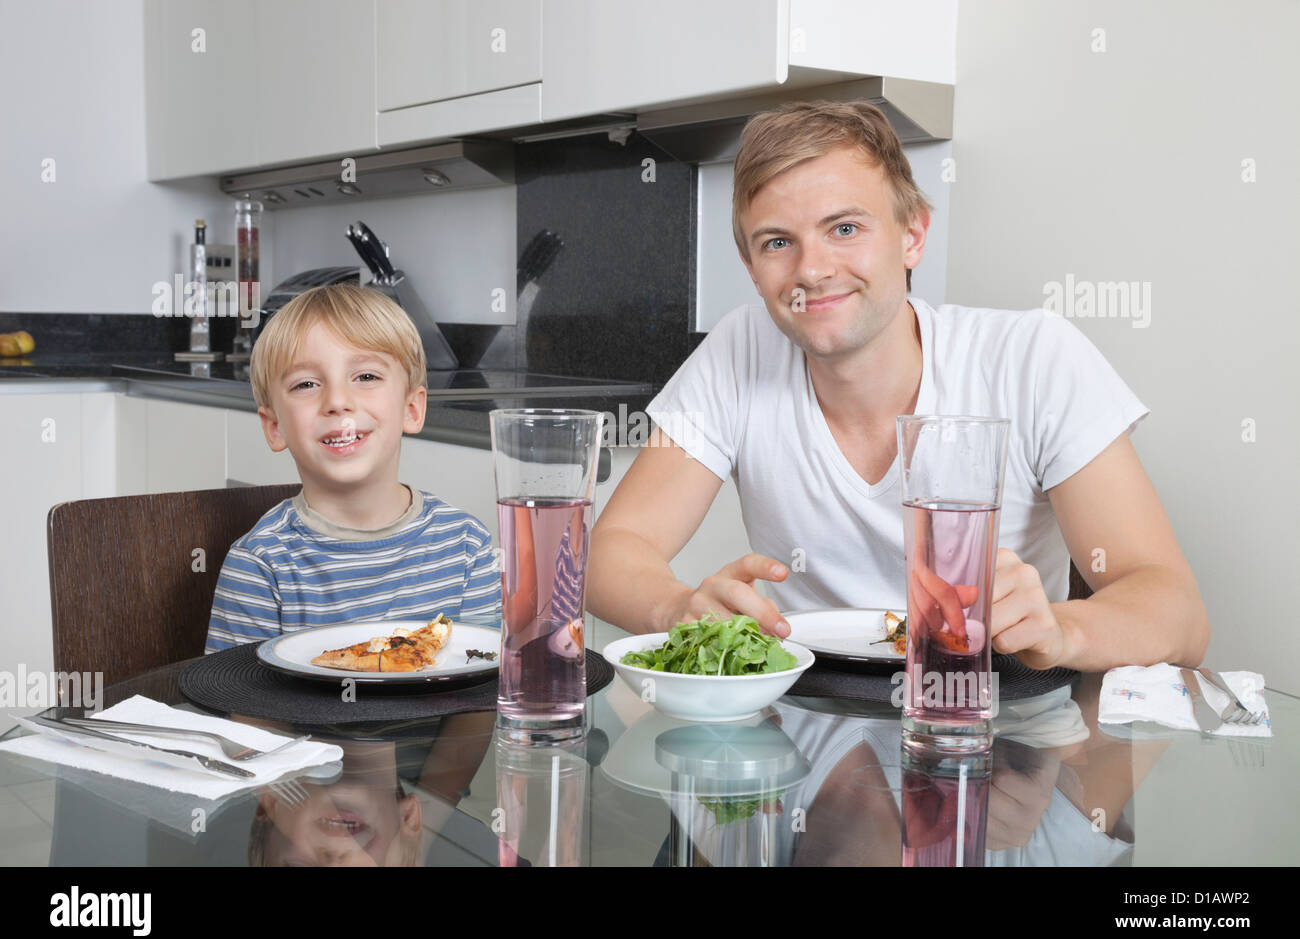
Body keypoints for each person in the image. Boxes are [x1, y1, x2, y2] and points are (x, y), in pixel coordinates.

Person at [587, 100, 1208, 672]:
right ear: (751, 269)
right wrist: (677, 610)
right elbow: (614, 550)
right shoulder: (739, 349)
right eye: (778, 242)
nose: (813, 269)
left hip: (987, 721)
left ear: (912, 234)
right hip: (807, 730)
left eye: (846, 228)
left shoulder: (1034, 358)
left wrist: (1061, 630)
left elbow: (1176, 610)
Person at [205, 285, 500, 652]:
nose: (338, 402)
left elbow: (478, 687)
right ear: (275, 427)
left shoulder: (467, 546)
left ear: (412, 408)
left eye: (366, 377)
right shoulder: (260, 564)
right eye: (307, 384)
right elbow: (244, 704)